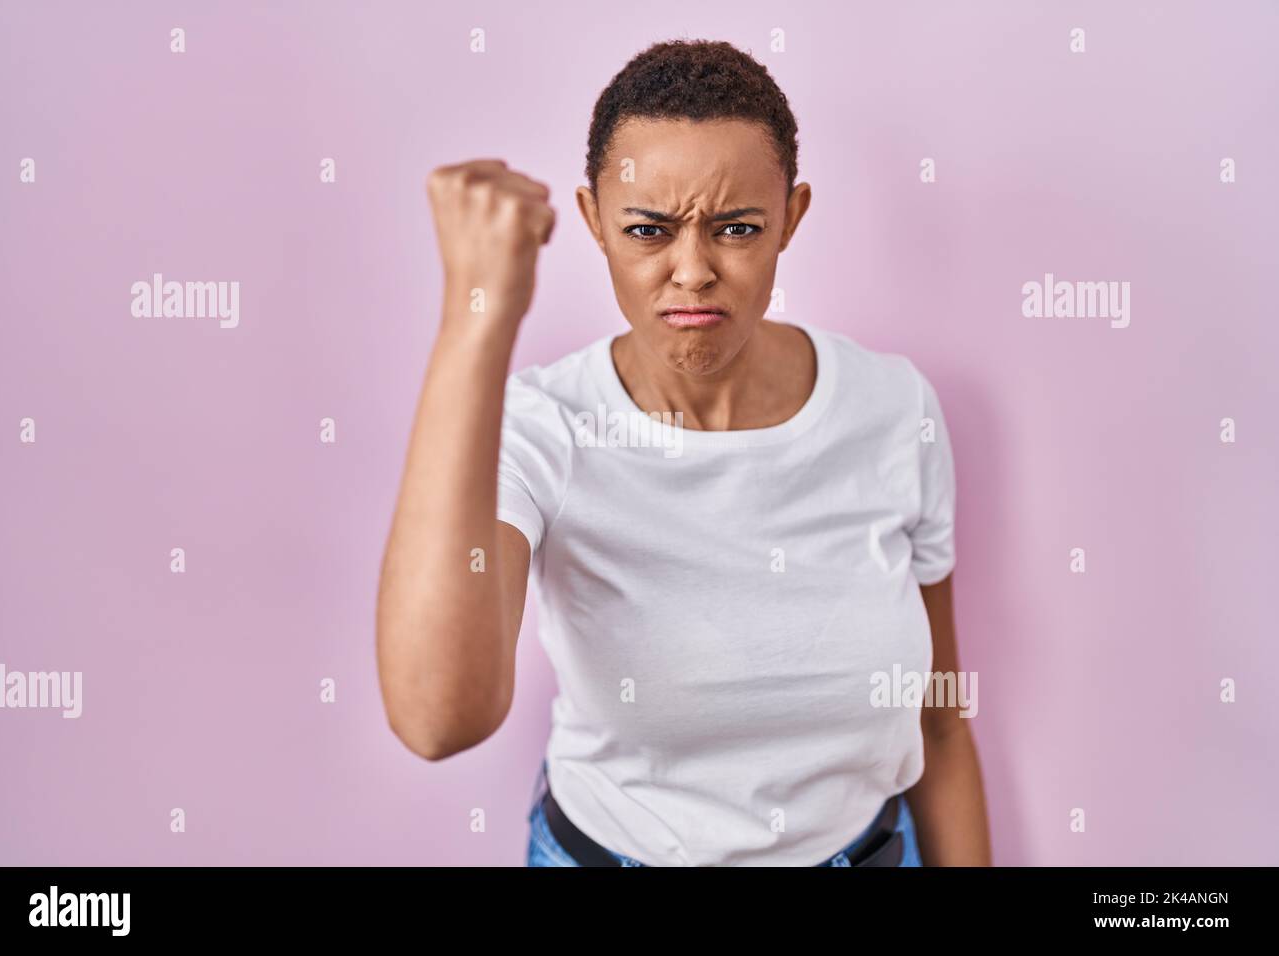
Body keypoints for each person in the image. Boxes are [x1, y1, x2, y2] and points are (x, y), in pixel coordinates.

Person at [377, 38, 992, 867]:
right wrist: (476, 314)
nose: (692, 272)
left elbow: (940, 719)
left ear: (792, 218)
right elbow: (436, 716)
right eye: (647, 229)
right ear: (593, 220)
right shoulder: (543, 427)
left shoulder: (894, 408)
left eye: (737, 228)